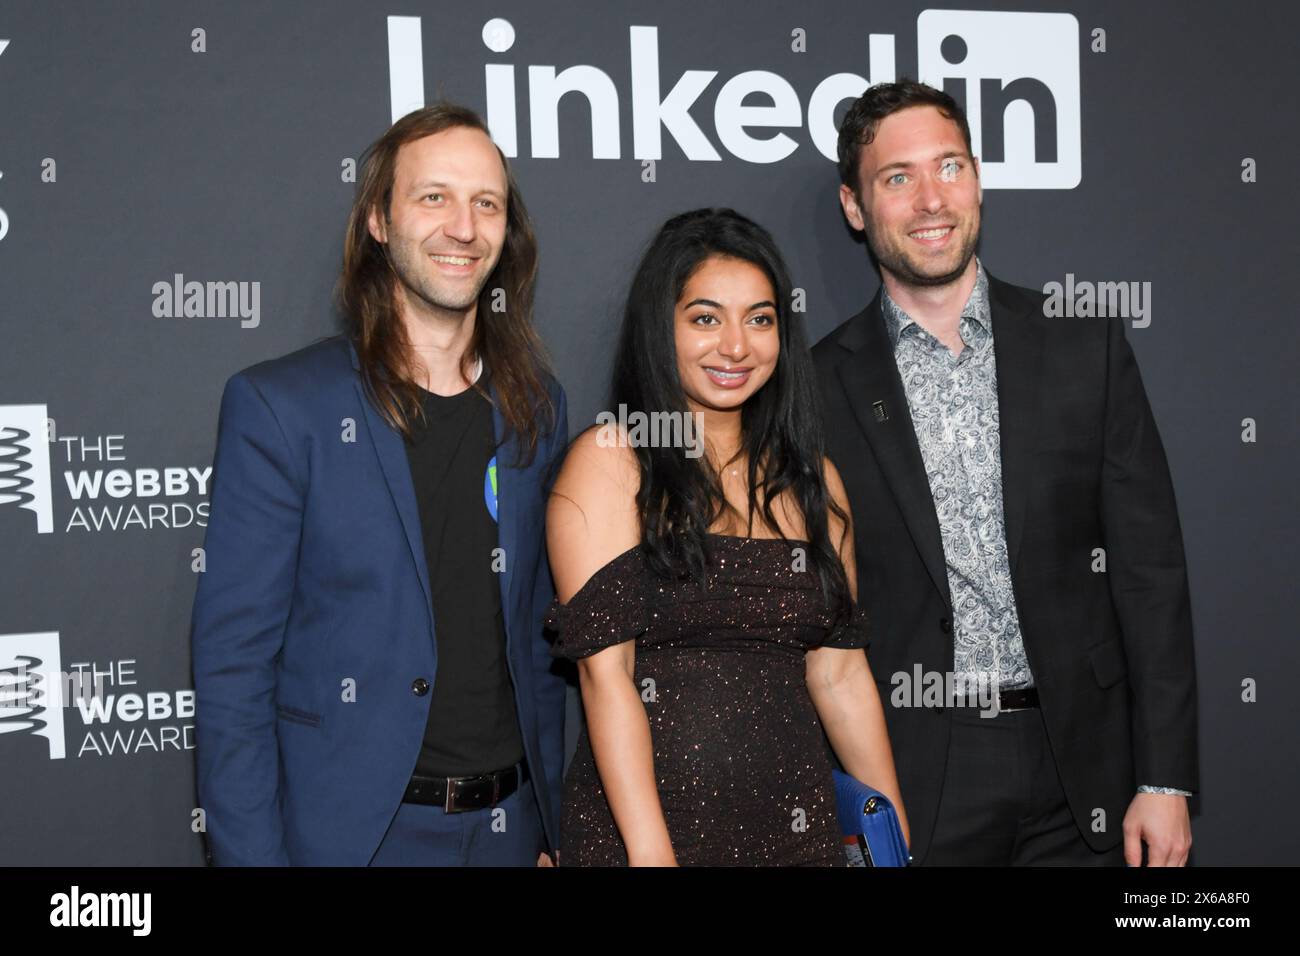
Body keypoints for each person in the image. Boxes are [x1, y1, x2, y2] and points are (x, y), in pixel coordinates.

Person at [812, 80, 1198, 866]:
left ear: (978, 178)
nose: (931, 199)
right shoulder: (816, 387)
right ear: (854, 207)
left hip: (1085, 769)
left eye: (949, 166)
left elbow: (1149, 572)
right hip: (923, 771)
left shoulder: (1082, 346)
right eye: (897, 178)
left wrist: (1165, 780)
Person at [190, 103, 568, 866]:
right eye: (434, 197)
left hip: (512, 830)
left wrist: (553, 824)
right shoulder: (282, 408)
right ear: (377, 221)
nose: (463, 226)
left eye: (485, 203)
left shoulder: (538, 404)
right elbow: (233, 672)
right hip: (360, 840)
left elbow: (541, 633)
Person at [544, 208, 907, 866]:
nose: (736, 347)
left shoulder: (811, 482)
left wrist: (894, 839)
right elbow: (607, 680)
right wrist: (652, 855)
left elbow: (841, 675)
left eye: (760, 319)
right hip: (647, 837)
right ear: (663, 326)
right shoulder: (612, 461)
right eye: (706, 318)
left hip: (797, 835)